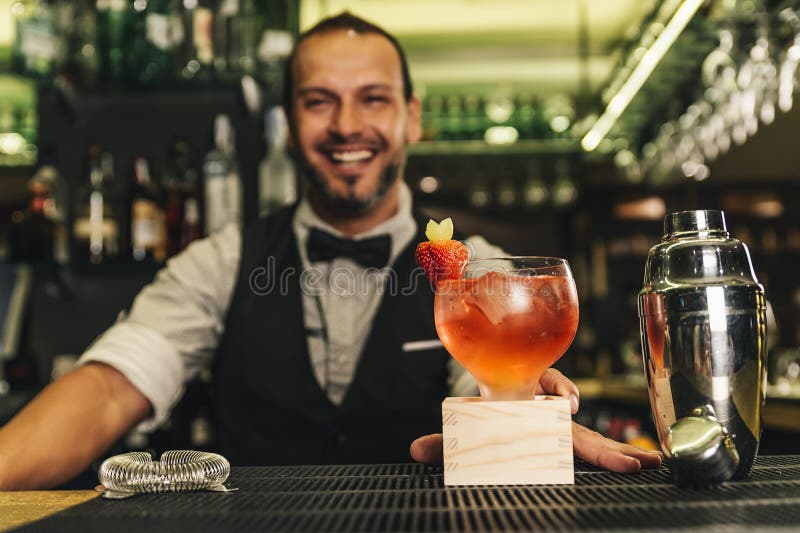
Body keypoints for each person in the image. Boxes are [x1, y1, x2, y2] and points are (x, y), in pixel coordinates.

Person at [0, 12, 661, 490]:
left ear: (412, 116)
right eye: (320, 102)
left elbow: (487, 380)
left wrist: (524, 416)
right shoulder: (221, 261)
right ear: (289, 124)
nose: (347, 126)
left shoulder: (471, 263)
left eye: (373, 99)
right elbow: (113, 388)